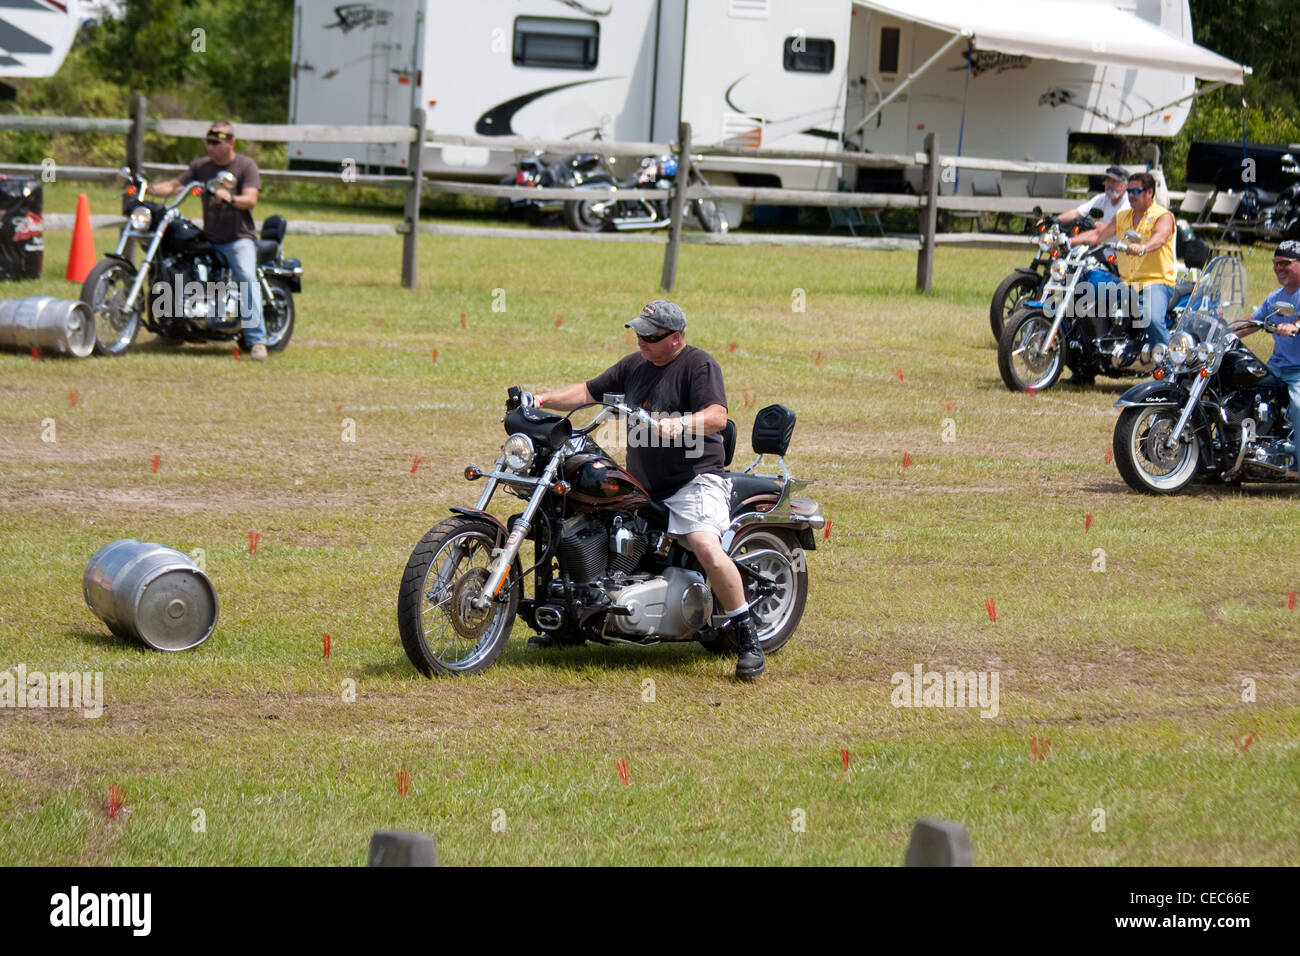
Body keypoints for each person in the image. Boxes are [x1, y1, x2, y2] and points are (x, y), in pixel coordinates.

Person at [534, 300, 766, 681]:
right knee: (576, 516)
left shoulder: (698, 364)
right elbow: (588, 391)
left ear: (675, 338)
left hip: (695, 481)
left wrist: (682, 424)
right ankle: (574, 620)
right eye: (638, 332)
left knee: (706, 546)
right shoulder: (634, 365)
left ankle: (746, 635)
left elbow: (717, 416)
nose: (640, 341)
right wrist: (541, 399)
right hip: (644, 484)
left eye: (649, 336)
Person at [151, 121, 267, 361]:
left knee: (246, 276)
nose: (210, 146)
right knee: (171, 267)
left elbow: (251, 199)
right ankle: (172, 329)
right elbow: (174, 185)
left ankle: (257, 340)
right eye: (208, 141)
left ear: (231, 143)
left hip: (238, 239)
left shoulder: (246, 166)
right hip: (209, 237)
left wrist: (230, 198)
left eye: (216, 142)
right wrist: (148, 189)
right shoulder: (201, 167)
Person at [1070, 171, 1176, 365]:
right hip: (1125, 283)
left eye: (1136, 191)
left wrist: (1143, 247)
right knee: (1083, 297)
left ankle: (1171, 367)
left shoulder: (1163, 216)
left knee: (1151, 318)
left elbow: (1160, 237)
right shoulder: (1123, 216)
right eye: (1129, 191)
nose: (1131, 195)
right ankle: (1084, 366)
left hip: (1155, 283)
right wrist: (1069, 242)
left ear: (1149, 192)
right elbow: (1098, 236)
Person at [1231, 241, 1300, 463]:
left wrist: (1295, 326)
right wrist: (1222, 329)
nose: (1278, 268)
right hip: (1276, 368)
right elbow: (1252, 322)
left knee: (1298, 406)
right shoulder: (1274, 298)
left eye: (1285, 263)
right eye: (1275, 264)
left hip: (1297, 372)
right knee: (1237, 385)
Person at [1054, 165, 1129, 226]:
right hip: (1101, 243)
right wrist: (1053, 220)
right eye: (1107, 180)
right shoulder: (1102, 198)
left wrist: (1102, 227)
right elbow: (1077, 213)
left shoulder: (1129, 203)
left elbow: (1116, 229)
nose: (1109, 184)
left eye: (1114, 181)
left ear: (1125, 186)